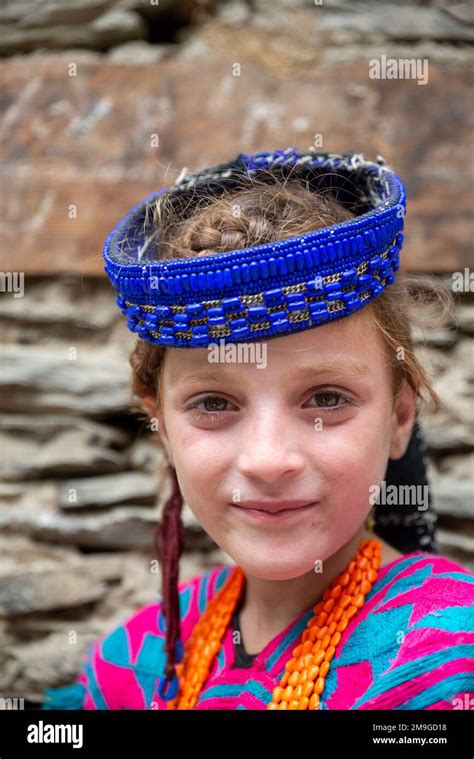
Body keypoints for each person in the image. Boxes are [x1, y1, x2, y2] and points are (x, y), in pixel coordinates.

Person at [41, 148, 473, 711]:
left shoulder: (446, 661)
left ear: (398, 417)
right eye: (214, 402)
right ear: (162, 426)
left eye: (326, 398)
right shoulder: (134, 664)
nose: (269, 460)